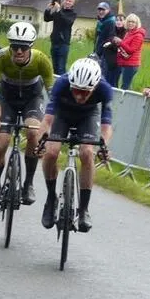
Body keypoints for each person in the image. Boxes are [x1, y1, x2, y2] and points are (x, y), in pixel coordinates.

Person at [37, 57, 113, 233]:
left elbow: (106, 125)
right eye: (76, 90)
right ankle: (50, 199)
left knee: (87, 153)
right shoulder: (61, 83)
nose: (79, 96)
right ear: (70, 83)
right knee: (51, 152)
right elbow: (48, 119)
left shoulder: (105, 89)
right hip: (62, 115)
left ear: (94, 87)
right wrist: (42, 139)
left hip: (88, 117)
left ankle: (84, 208)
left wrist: (104, 145)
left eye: (85, 92)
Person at [0, 21, 54, 214]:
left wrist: (51, 122)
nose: (18, 51)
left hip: (32, 98)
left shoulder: (41, 60)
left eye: (23, 47)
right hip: (7, 98)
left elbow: (52, 91)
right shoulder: (1, 56)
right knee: (0, 144)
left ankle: (28, 183)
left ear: (30, 47)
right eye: (14, 46)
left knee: (33, 134)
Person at [43, 0, 76, 76]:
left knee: (61, 68)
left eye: (70, 1)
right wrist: (47, 9)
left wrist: (58, 10)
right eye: (66, 0)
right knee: (54, 67)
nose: (68, 2)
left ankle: (63, 86)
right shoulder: (59, 11)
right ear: (63, 1)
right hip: (54, 42)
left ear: (73, 4)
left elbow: (66, 21)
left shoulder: (72, 14)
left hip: (63, 44)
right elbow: (47, 19)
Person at [110, 13, 144, 89]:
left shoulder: (138, 35)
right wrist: (117, 43)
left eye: (133, 22)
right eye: (129, 21)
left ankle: (125, 101)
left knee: (125, 87)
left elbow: (131, 50)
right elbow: (124, 47)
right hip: (125, 63)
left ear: (137, 24)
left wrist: (120, 42)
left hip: (131, 64)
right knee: (127, 86)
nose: (130, 23)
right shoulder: (129, 33)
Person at [93, 2, 117, 80]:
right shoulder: (101, 20)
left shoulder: (111, 21)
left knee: (102, 75)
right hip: (98, 50)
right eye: (99, 9)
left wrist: (101, 50)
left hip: (105, 53)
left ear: (108, 10)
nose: (101, 11)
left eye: (103, 9)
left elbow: (110, 37)